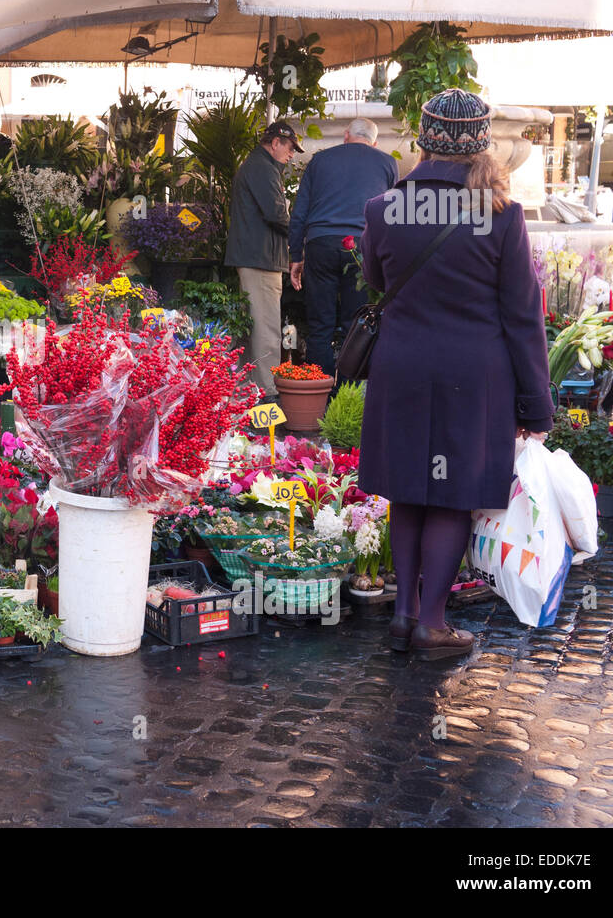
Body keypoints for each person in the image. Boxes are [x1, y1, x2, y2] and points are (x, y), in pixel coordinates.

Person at [358, 89, 552, 659]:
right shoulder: (500, 215)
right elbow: (523, 316)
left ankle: (402, 616)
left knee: (407, 490)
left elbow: (376, 279)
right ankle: (433, 623)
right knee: (450, 496)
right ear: (480, 145)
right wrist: (536, 407)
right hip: (474, 375)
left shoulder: (383, 208)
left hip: (401, 367)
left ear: (425, 138)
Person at [288, 118, 398, 377]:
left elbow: (299, 212)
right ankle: (349, 394)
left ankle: (318, 392)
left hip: (320, 243)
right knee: (357, 323)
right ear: (374, 142)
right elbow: (394, 216)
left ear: (346, 135)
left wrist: (295, 256)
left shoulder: (320, 161)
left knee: (319, 324)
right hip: (362, 246)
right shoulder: (387, 163)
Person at [224, 120, 302, 399]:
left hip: (257, 256)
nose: (292, 154)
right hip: (261, 258)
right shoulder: (262, 168)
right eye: (290, 147)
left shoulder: (260, 166)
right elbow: (276, 214)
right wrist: (298, 230)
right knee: (267, 326)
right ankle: (268, 393)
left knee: (255, 325)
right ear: (275, 142)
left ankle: (249, 389)